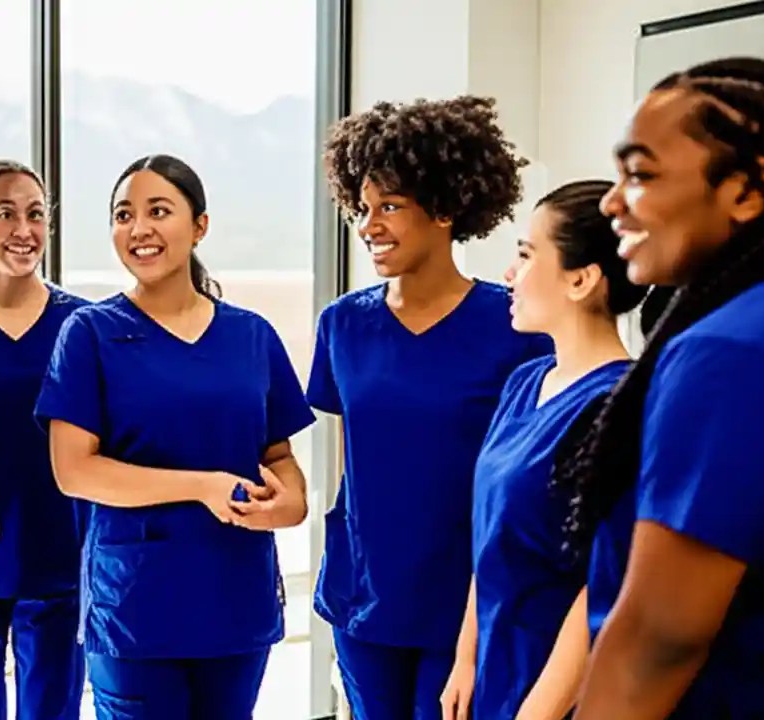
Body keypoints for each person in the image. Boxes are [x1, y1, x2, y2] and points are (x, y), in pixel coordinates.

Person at [554, 57, 764, 719]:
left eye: (639, 175)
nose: (612, 203)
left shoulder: (728, 354)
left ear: (750, 190)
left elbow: (659, 639)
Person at [36, 154, 315, 719]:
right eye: (123, 214)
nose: (138, 228)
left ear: (199, 226)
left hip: (235, 601)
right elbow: (74, 471)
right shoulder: (89, 334)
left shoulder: (250, 336)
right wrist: (202, 486)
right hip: (138, 609)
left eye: (158, 211)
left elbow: (279, 456)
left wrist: (292, 502)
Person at [308, 96, 550, 720]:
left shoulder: (517, 325)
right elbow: (350, 467)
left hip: (467, 602)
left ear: (444, 208)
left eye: (389, 206)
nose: (369, 225)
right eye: (363, 209)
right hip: (365, 599)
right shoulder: (341, 326)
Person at [440, 180, 648, 720]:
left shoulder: (618, 408)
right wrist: (466, 659)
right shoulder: (527, 381)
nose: (509, 274)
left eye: (526, 254)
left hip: (556, 689)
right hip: (494, 670)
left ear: (580, 280)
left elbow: (600, 589)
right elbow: (489, 537)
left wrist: (538, 713)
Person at [0, 160, 88, 720]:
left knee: (53, 709)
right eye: (4, 213)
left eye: (35, 214)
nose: (22, 229)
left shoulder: (80, 325)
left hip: (59, 543)